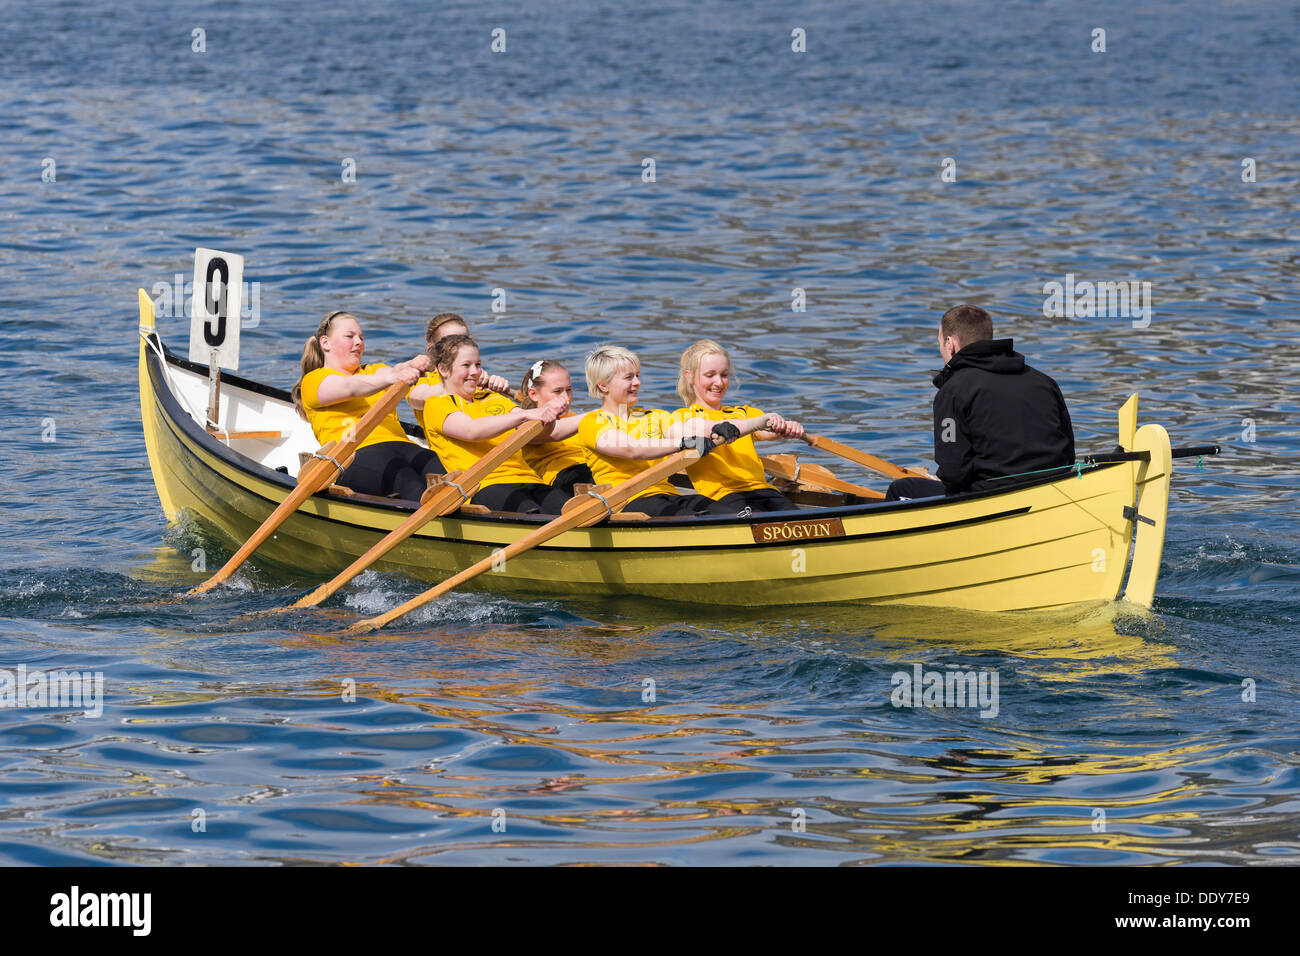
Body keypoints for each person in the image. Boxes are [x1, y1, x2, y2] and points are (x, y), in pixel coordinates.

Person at [885, 305, 1075, 501]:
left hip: (993, 497)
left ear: (950, 343)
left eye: (940, 343)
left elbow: (953, 472)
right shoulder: (1044, 382)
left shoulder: (953, 390)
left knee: (901, 489)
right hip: (1053, 490)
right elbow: (1068, 453)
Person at [576, 345, 772, 517]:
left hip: (667, 494)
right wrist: (682, 444)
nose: (637, 382)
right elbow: (631, 449)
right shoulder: (592, 422)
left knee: (738, 516)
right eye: (629, 377)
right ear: (603, 385)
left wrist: (716, 428)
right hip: (627, 500)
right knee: (691, 518)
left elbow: (683, 429)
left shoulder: (653, 415)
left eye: (638, 375)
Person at [292, 310, 443, 500]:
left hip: (403, 446)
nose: (358, 342)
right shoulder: (314, 380)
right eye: (350, 336)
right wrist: (394, 377)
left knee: (442, 472)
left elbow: (394, 370)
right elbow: (350, 387)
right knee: (408, 482)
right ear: (325, 343)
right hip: (353, 455)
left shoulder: (375, 370)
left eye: (361, 337)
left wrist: (411, 365)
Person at [420, 334, 571, 514]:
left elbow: (536, 433)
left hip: (529, 479)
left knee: (575, 512)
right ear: (444, 370)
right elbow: (472, 430)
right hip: (483, 485)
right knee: (537, 516)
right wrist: (526, 414)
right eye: (466, 365)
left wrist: (549, 415)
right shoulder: (437, 403)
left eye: (478, 364)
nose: (475, 371)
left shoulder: (493, 398)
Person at [674, 340, 803, 513]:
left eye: (724, 374)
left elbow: (768, 432)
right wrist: (761, 421)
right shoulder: (683, 417)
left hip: (765, 491)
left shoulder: (744, 412)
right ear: (689, 376)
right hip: (723, 496)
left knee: (798, 519)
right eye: (710, 375)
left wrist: (782, 426)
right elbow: (705, 427)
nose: (719, 383)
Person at [516, 360, 594, 496]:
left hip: (590, 468)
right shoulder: (526, 421)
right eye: (557, 391)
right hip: (561, 478)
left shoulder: (573, 416)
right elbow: (552, 432)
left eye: (568, 390)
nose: (566, 398)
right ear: (533, 394)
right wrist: (601, 413)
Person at [407, 312, 511, 411]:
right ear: (432, 347)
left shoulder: (478, 375)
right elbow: (416, 400)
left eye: (464, 340)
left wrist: (500, 389)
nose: (460, 346)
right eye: (449, 342)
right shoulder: (421, 378)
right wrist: (462, 382)